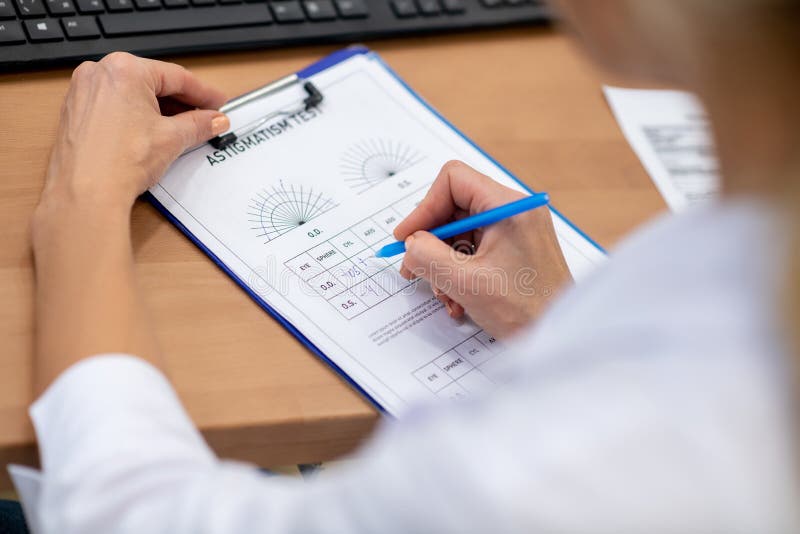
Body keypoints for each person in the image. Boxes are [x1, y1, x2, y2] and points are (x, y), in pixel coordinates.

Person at [13, 0, 799, 532]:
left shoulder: (542, 476)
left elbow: (127, 514)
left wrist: (85, 196)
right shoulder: (735, 257)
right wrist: (558, 323)